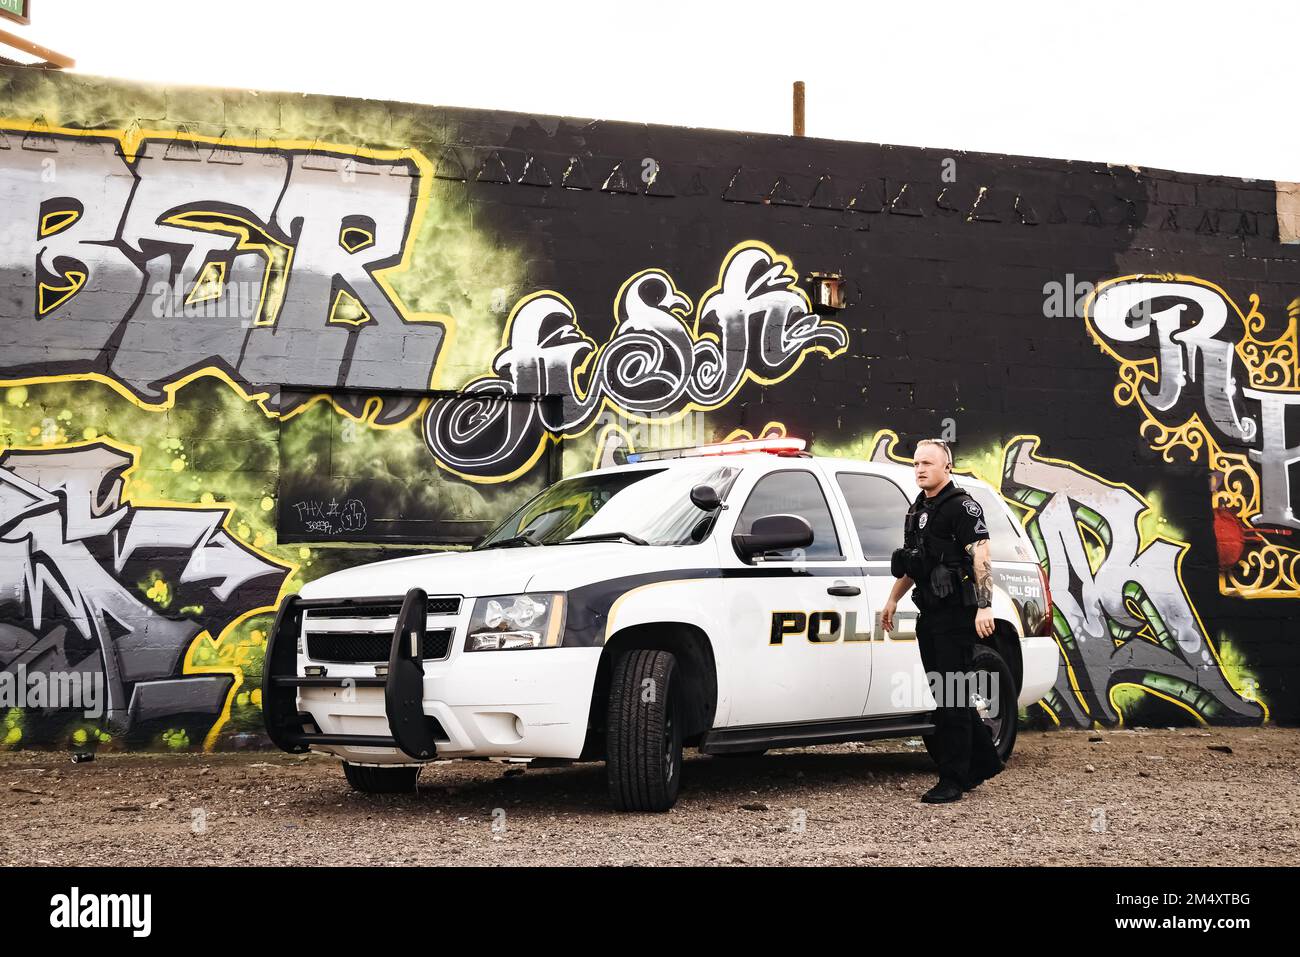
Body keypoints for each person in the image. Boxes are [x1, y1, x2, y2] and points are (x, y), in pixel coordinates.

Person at [881, 438, 1003, 803]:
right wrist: (892, 598)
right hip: (930, 613)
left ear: (946, 468)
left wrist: (984, 606)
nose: (920, 469)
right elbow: (918, 562)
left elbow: (981, 556)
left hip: (956, 615)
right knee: (946, 691)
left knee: (951, 695)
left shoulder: (962, 507)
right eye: (916, 464)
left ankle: (953, 778)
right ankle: (982, 763)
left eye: (928, 464)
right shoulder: (919, 508)